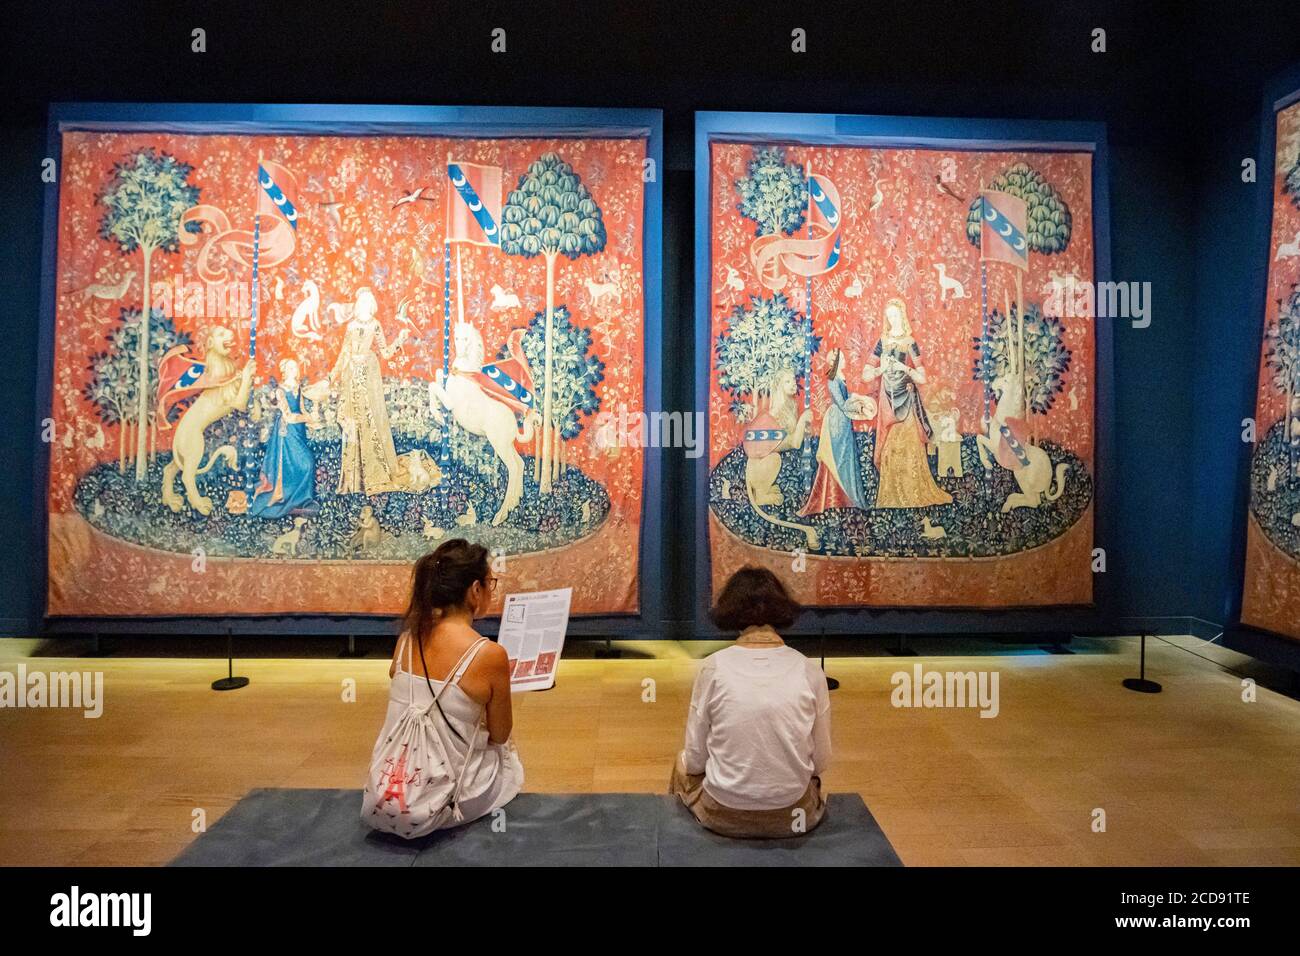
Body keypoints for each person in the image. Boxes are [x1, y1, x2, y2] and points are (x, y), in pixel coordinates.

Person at [371, 539, 523, 830]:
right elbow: (501, 734)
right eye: (489, 583)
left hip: (388, 793)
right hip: (447, 802)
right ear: (475, 590)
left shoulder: (406, 639)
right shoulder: (488, 653)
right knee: (509, 757)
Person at [670, 566, 831, 838]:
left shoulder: (713, 668)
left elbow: (695, 760)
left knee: (681, 762)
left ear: (730, 609)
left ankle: (679, 845)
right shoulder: (810, 670)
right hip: (794, 815)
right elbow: (821, 761)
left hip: (722, 815)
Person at [860, 298, 953, 508]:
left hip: (907, 398)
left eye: (895, 315)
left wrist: (905, 369)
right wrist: (879, 370)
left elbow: (922, 377)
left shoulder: (910, 343)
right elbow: (866, 374)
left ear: (902, 316)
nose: (892, 320)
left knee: (910, 446)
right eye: (889, 316)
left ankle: (913, 495)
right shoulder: (882, 342)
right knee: (890, 447)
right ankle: (891, 498)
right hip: (887, 399)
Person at [329, 287, 408, 495]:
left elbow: (385, 353)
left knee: (370, 419)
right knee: (353, 420)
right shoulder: (352, 326)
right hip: (351, 377)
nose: (364, 304)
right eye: (361, 301)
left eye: (367, 301)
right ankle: (354, 478)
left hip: (369, 375)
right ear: (358, 304)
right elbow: (344, 352)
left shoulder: (375, 325)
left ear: (371, 303)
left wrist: (399, 341)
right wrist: (334, 374)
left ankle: (374, 473)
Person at [801, 347, 873, 515]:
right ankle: (834, 497)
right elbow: (842, 404)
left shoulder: (841, 378)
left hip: (843, 419)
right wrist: (857, 403)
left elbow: (845, 402)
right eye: (843, 357)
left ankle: (848, 498)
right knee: (837, 457)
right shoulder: (833, 380)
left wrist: (856, 401)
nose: (846, 359)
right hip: (836, 421)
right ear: (837, 361)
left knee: (846, 457)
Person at [249, 358, 318, 518]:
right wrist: (307, 418)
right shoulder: (280, 390)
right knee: (303, 463)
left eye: (295, 367)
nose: (295, 370)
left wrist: (312, 417)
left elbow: (300, 408)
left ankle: (302, 500)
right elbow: (287, 416)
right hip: (286, 433)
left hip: (299, 431)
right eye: (291, 368)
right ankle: (284, 497)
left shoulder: (298, 387)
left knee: (306, 463)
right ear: (285, 371)